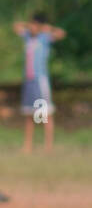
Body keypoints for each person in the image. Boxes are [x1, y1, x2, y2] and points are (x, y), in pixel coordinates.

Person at [13, 13, 65, 153]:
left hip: (39, 80)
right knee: (29, 113)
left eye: (34, 24)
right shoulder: (28, 37)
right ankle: (28, 146)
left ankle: (48, 146)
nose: (32, 27)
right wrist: (27, 25)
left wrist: (47, 28)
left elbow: (61, 33)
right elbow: (16, 27)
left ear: (40, 26)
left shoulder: (44, 38)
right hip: (29, 80)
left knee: (44, 113)